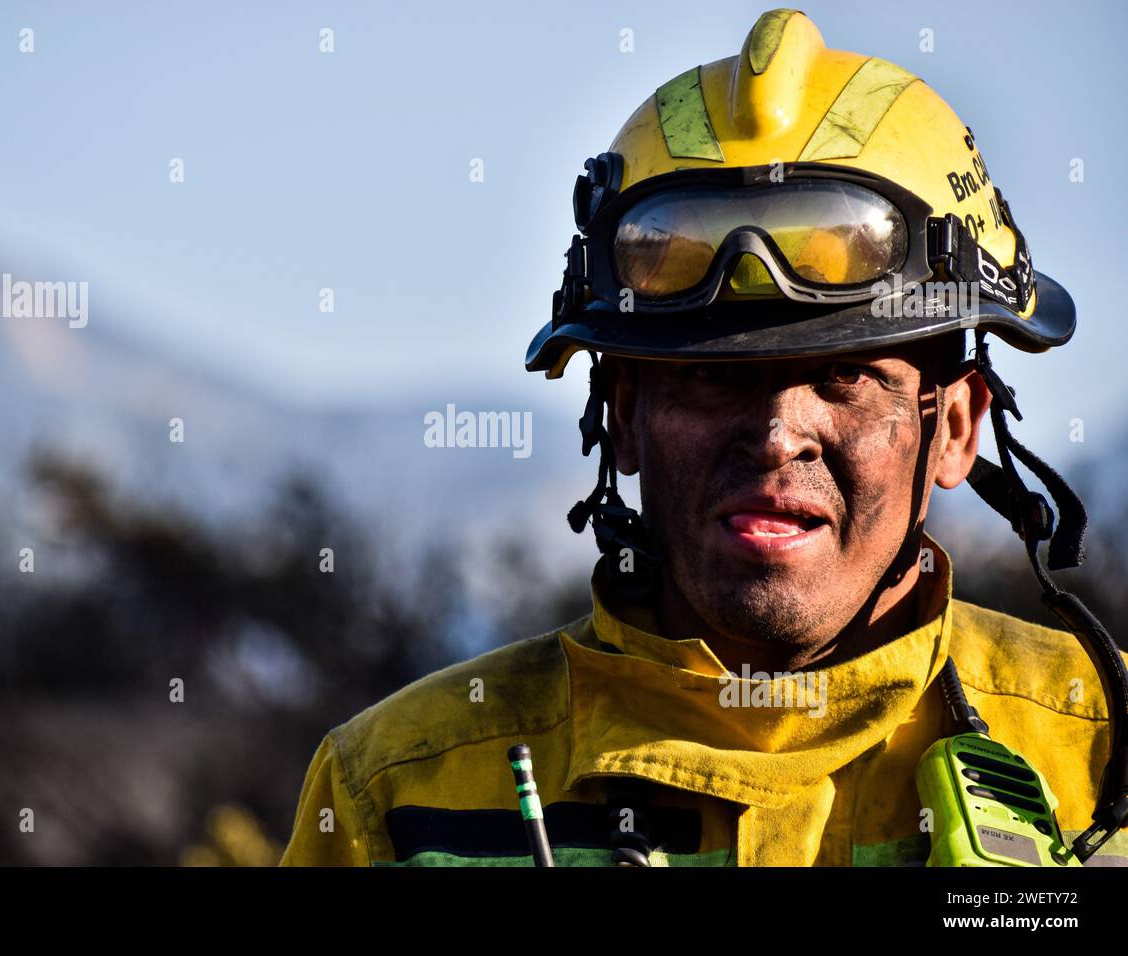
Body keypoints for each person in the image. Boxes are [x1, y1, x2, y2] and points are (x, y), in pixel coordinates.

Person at [280, 8, 1128, 867]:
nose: (773, 436)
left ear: (954, 426)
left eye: (844, 376)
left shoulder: (1105, 755)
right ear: (622, 416)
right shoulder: (397, 795)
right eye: (709, 376)